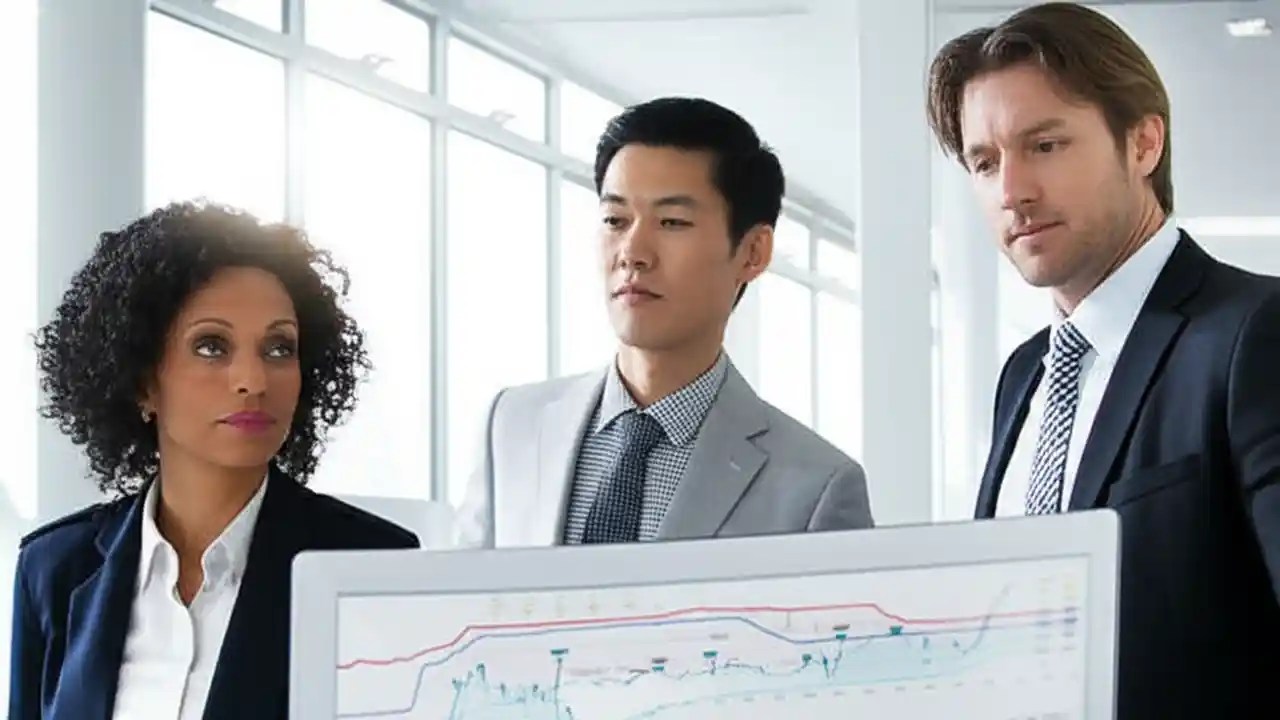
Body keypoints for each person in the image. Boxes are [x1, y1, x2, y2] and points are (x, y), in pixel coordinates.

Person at [927, 3, 1280, 717]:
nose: (1012, 191)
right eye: (985, 162)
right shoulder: (1024, 374)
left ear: (1144, 142)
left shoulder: (1255, 333)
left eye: (1046, 145)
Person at [9, 201, 420, 720]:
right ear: (141, 381)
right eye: (210, 346)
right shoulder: (54, 570)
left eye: (278, 348)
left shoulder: (373, 565)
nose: (253, 379)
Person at [456, 97, 873, 549]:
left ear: (753, 252)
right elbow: (455, 611)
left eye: (672, 222)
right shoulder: (511, 427)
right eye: (615, 220)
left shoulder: (815, 489)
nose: (633, 252)